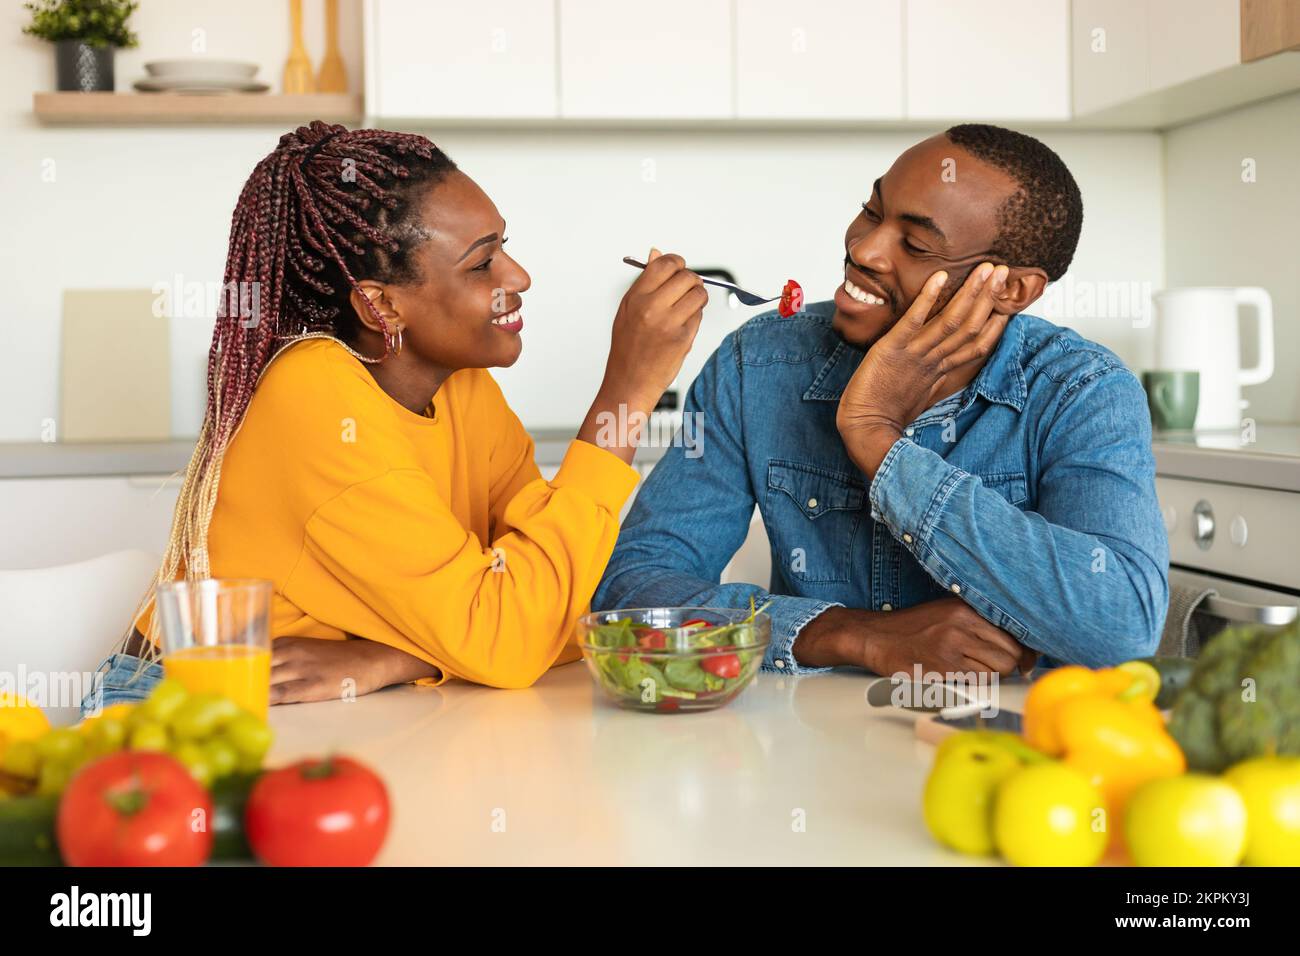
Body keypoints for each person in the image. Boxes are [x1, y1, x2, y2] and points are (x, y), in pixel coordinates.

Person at [87, 121, 706, 712]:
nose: (519, 277)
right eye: (481, 263)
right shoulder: (314, 396)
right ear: (380, 304)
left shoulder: (464, 388)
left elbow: (558, 603)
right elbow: (512, 638)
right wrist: (627, 392)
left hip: (330, 705)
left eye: (505, 248)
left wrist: (389, 660)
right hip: (185, 696)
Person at [595, 124, 1169, 679]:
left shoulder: (1082, 391)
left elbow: (1122, 627)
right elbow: (635, 590)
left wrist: (876, 436)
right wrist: (852, 634)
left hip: (1017, 742)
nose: (863, 248)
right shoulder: (759, 364)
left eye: (916, 244)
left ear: (1010, 289)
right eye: (872, 210)